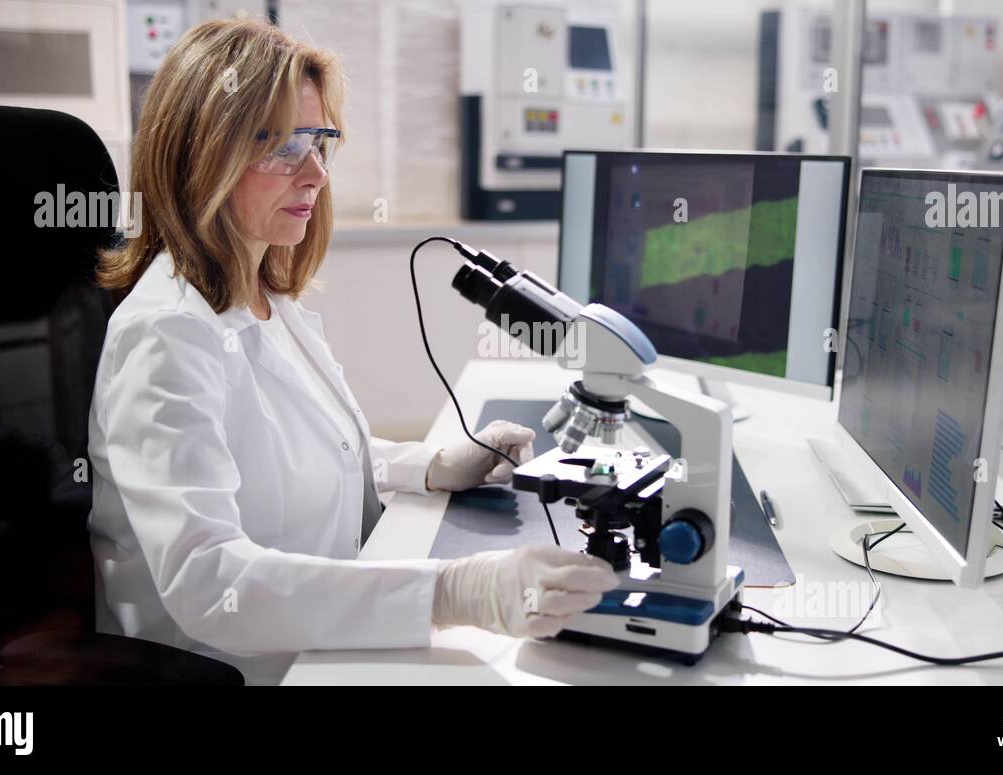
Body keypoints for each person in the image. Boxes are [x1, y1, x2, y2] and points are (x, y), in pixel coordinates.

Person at [87, 18, 617, 684]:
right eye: (281, 146)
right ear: (203, 155)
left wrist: (432, 465)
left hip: (321, 639)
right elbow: (206, 580)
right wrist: (451, 593)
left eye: (319, 143)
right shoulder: (164, 334)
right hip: (226, 667)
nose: (314, 174)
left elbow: (314, 457)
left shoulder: (268, 300)